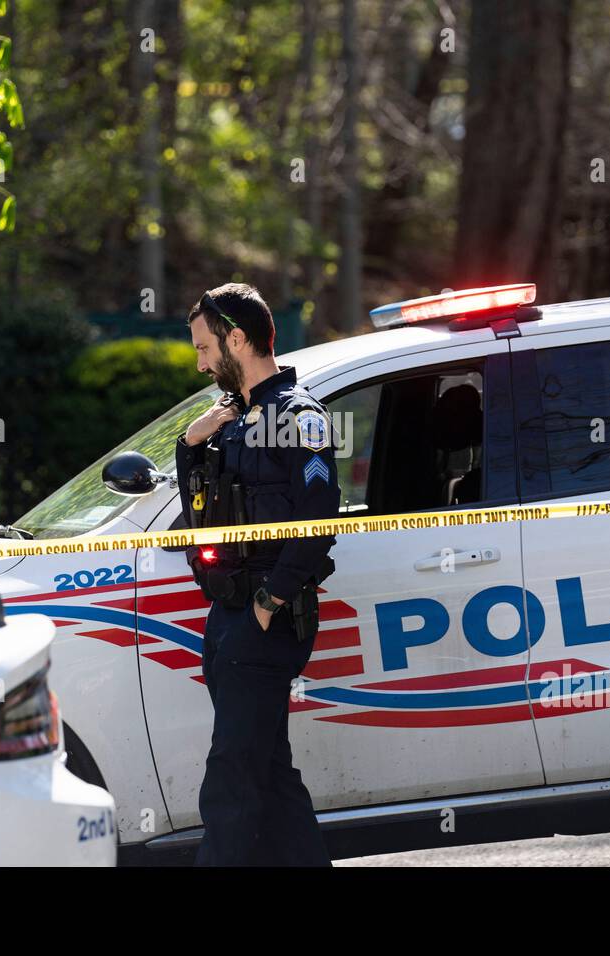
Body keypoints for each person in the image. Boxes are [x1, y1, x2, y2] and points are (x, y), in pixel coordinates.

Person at [174, 282, 339, 867]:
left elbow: (319, 521)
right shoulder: (238, 420)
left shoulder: (299, 417)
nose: (200, 361)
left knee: (231, 779)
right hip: (230, 618)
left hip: (265, 620)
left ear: (236, 339)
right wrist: (190, 443)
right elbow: (200, 505)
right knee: (268, 772)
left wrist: (269, 601)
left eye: (203, 348)